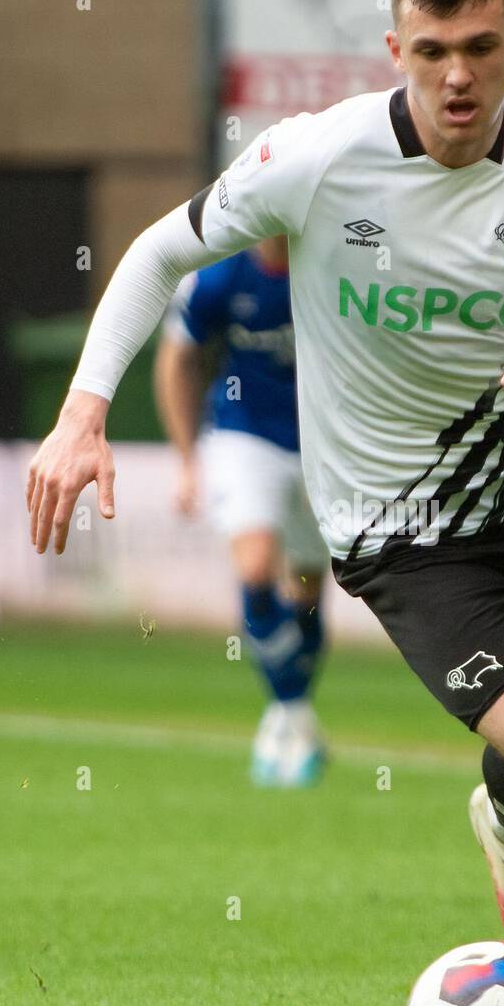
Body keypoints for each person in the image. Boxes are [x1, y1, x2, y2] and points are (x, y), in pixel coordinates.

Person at [27, 0, 504, 1006]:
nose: (456, 76)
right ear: (395, 49)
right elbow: (158, 254)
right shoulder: (317, 158)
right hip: (396, 523)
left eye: (478, 47)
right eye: (430, 51)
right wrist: (81, 410)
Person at [154, 235, 327, 786]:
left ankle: (287, 716)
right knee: (255, 571)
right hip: (241, 435)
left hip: (323, 446)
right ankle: (294, 713)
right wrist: (186, 459)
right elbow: (176, 359)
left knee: (306, 588)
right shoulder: (218, 278)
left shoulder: (333, 265)